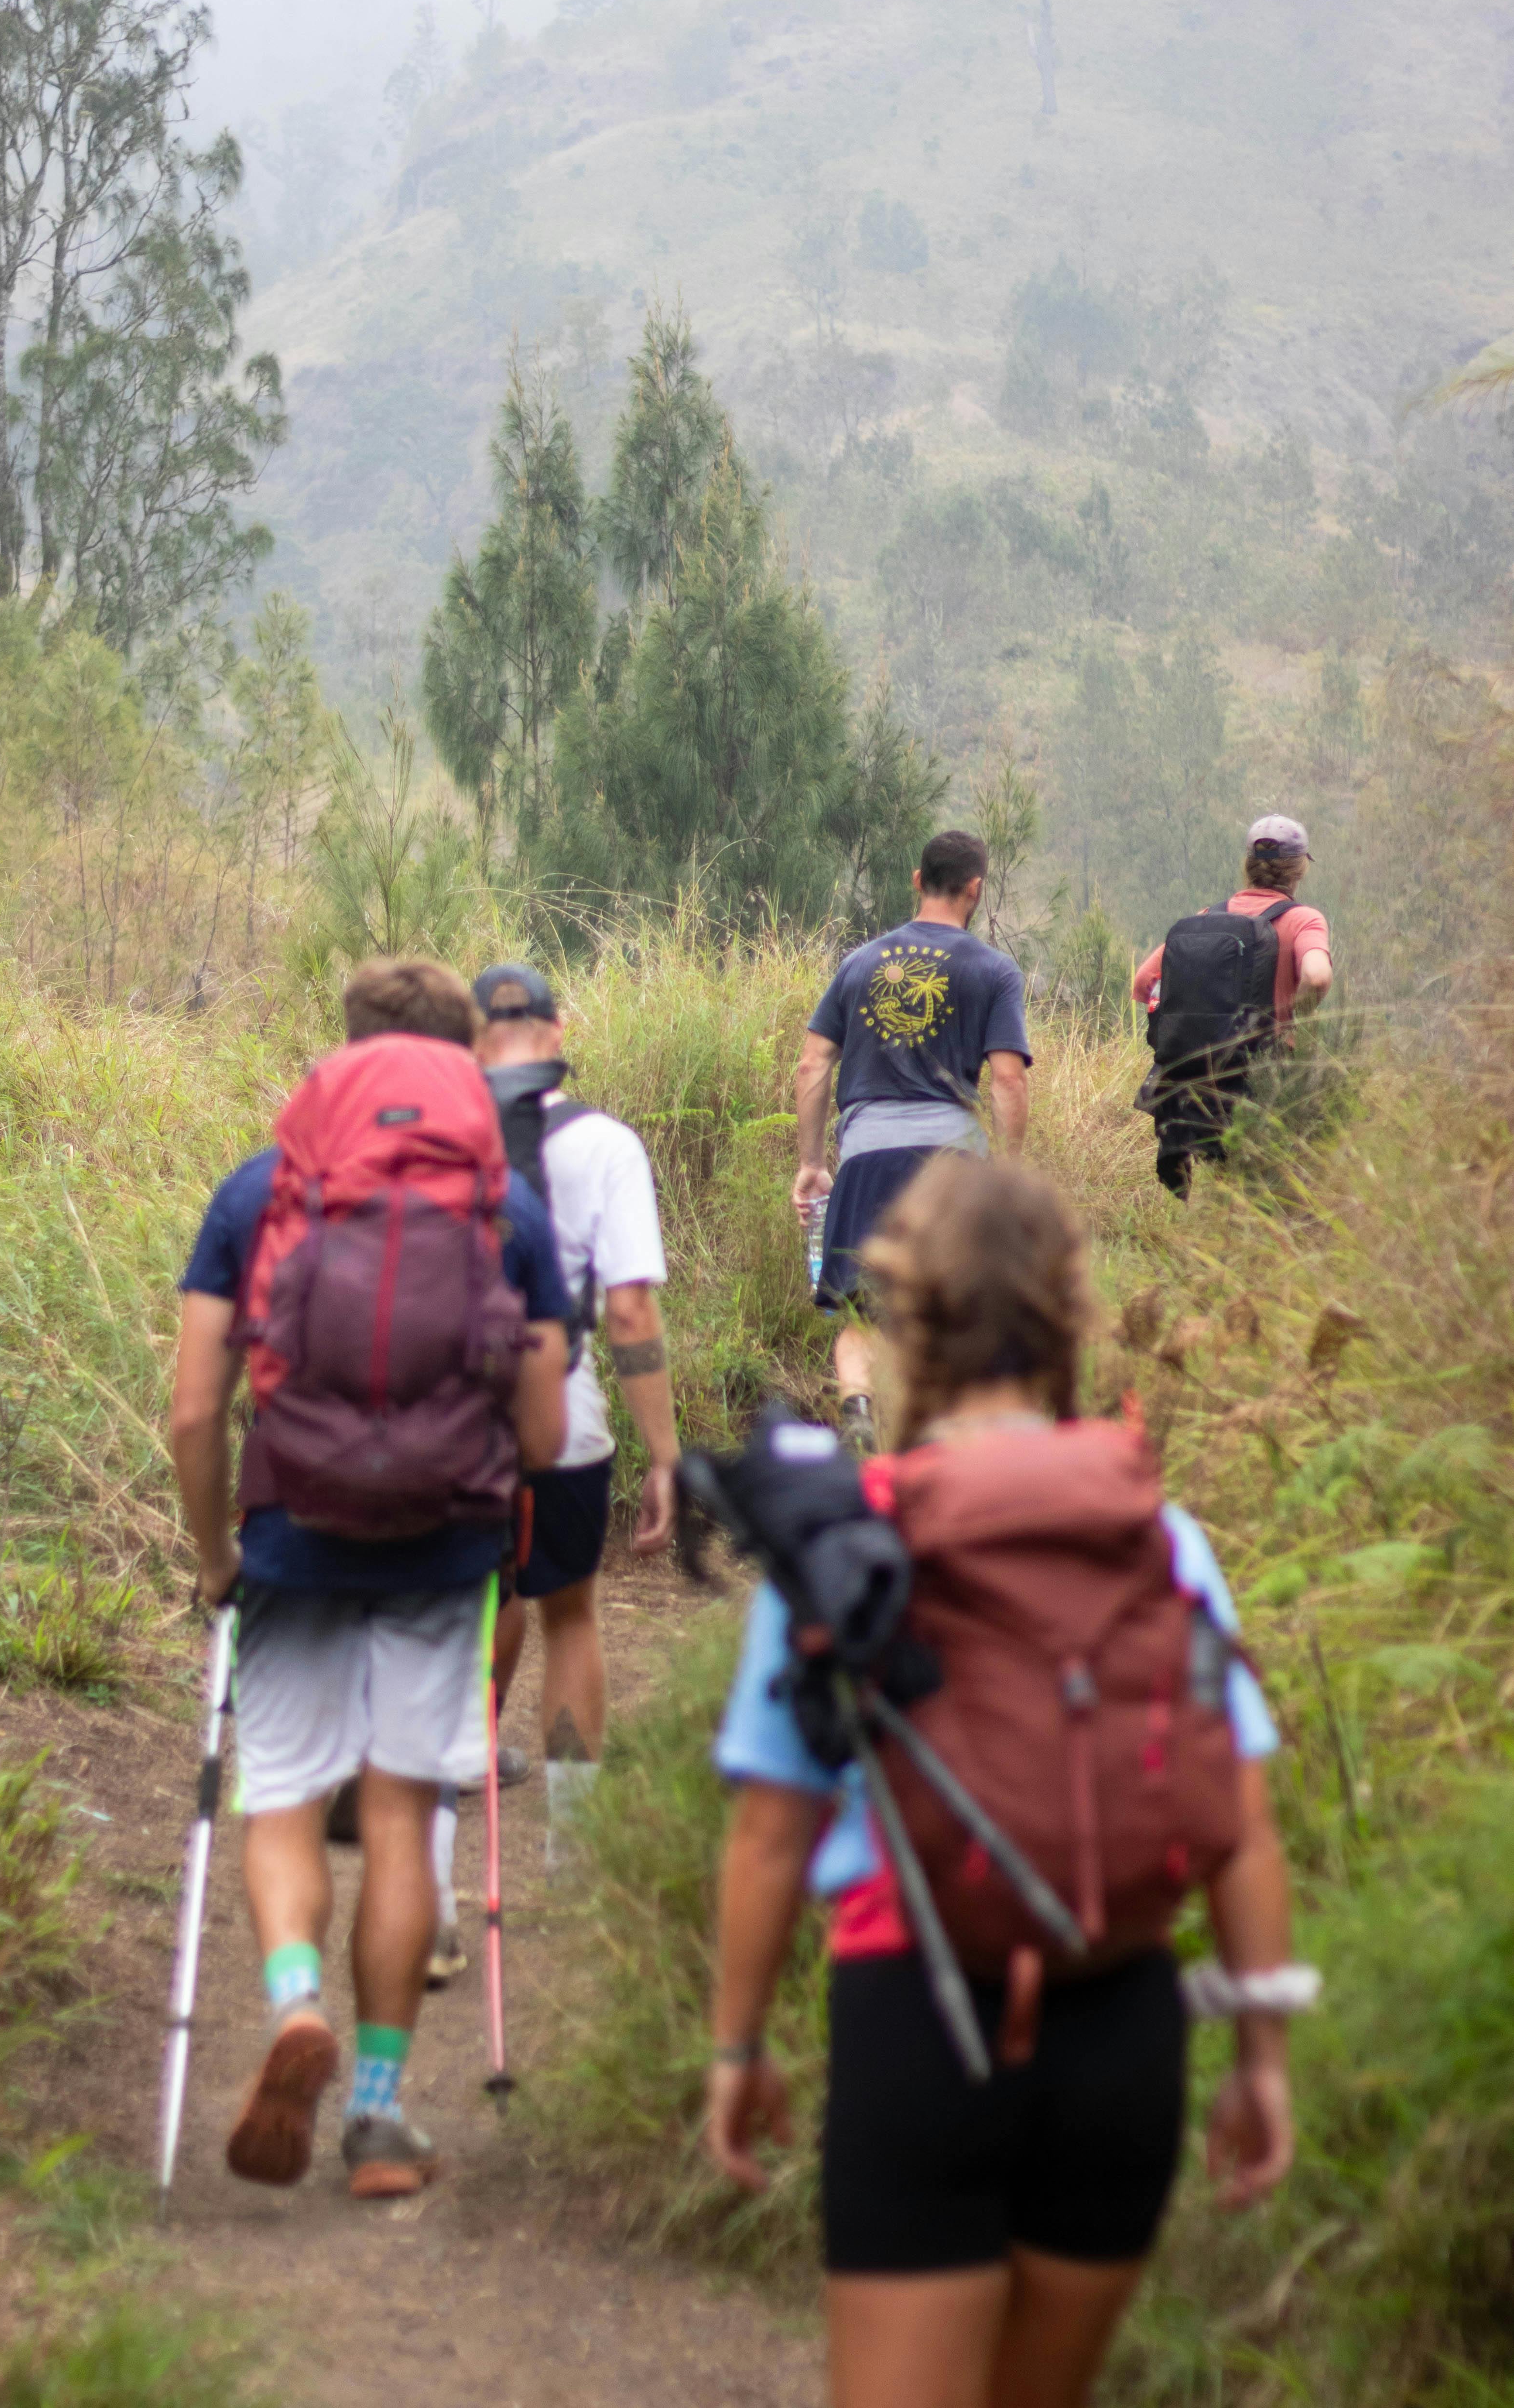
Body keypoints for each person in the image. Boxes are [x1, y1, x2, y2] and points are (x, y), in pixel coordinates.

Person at [704, 1156, 1299, 2408]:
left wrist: (738, 2044)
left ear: (900, 1321)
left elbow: (769, 1837)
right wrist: (1260, 2051)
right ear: (1066, 1316)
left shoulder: (848, 1536)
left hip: (915, 2013)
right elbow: (1238, 1828)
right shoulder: (1155, 1533)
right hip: (1121, 2018)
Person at [168, 957, 570, 2199]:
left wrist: (215, 1554)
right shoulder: (510, 1210)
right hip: (446, 1548)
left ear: (340, 1049)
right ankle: (382, 2113)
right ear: (461, 1060)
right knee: (401, 1815)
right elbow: (547, 1437)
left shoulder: (261, 1191)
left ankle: (295, 2000)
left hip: (291, 1534)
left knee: (284, 1799)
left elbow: (194, 1412)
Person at [471, 959, 680, 1878]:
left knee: (452, 1606)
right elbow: (630, 1309)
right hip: (568, 1413)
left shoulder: (426, 1138)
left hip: (442, 1421)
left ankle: (433, 1828)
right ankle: (570, 1838)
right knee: (569, 1611)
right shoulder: (606, 1145)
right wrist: (665, 1454)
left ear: (471, 1041)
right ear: (557, 1037)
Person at [792, 829, 1032, 1448]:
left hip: (866, 1157)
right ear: (975, 889)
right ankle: (942, 1437)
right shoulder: (992, 970)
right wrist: (1009, 1170)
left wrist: (813, 1165)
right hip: (951, 1165)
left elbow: (812, 1065)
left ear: (916, 880)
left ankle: (858, 1410)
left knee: (859, 1308)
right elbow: (1007, 1078)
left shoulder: (860, 962)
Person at [1133, 813, 1333, 1199]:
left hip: (1196, 1079)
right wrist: (1296, 1020)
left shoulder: (1208, 918)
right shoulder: (1303, 920)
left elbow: (1144, 982)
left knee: (1223, 1190)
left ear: (1248, 865)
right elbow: (1318, 977)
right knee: (1273, 1193)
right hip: (1266, 1077)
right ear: (1300, 870)